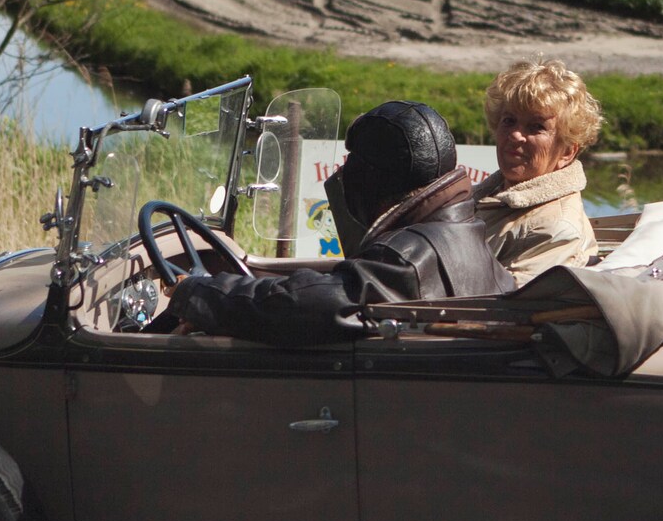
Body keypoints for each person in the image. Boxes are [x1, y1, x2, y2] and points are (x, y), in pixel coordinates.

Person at [159, 101, 510, 346]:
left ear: (372, 179)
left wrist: (197, 292)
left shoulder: (407, 256)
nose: (345, 173)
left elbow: (312, 304)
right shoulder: (467, 234)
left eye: (353, 162)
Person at [473, 59, 600, 280]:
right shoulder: (486, 195)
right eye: (509, 121)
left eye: (536, 127)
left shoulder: (556, 230)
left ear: (567, 152)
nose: (515, 135)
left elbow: (504, 305)